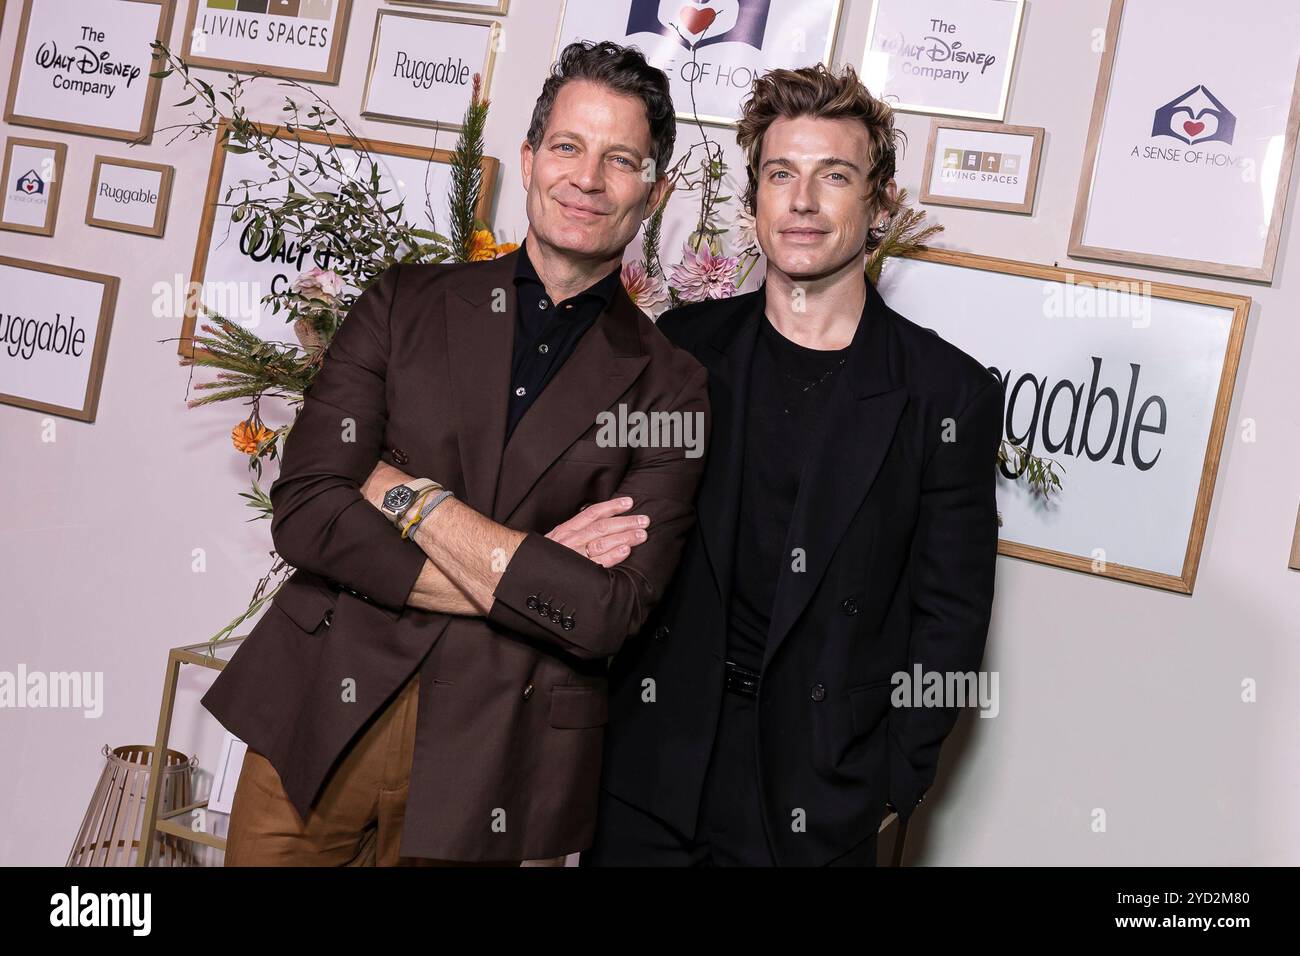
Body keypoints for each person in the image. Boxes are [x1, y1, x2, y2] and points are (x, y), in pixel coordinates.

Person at [202, 40, 708, 866]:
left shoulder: (672, 388)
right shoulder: (403, 302)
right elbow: (306, 511)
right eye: (569, 147)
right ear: (530, 156)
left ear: (655, 192)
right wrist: (535, 571)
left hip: (497, 756)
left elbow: (604, 613)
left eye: (620, 160)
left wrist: (410, 495)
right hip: (320, 714)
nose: (587, 178)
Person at [584, 63, 1004, 866]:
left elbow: (951, 624)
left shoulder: (945, 393)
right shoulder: (681, 349)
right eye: (781, 173)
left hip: (816, 798)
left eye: (834, 176)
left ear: (879, 204)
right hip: (649, 771)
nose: (803, 201)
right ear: (753, 199)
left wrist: (890, 783)